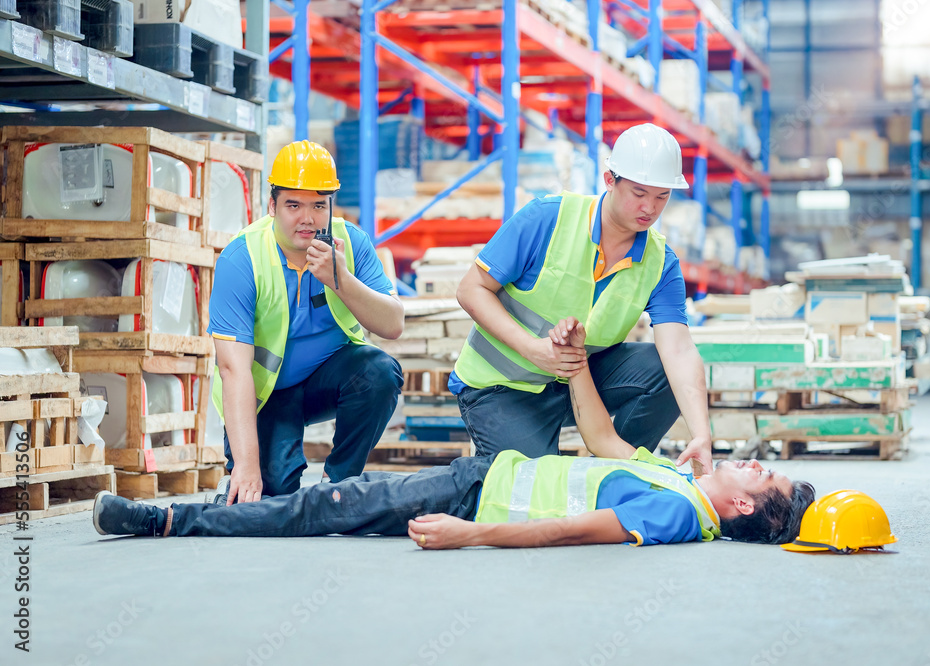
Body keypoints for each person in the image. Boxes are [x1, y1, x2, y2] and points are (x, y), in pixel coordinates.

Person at [93, 318, 815, 549]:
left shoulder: (676, 513)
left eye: (761, 475)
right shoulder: (679, 482)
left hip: (478, 502)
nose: (752, 463)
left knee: (327, 507)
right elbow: (597, 436)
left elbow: (570, 529)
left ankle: (167, 519)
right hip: (489, 475)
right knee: (337, 502)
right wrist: (571, 363)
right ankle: (180, 517)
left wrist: (472, 537)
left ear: (747, 506)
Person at [450, 123, 714, 471]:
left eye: (661, 196)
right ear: (609, 179)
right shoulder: (549, 217)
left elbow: (679, 350)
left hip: (578, 383)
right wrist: (533, 349)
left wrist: (701, 433)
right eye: (638, 192)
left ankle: (618, 471)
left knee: (662, 369)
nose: (649, 207)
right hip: (502, 386)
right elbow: (470, 289)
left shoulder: (660, 262)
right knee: (533, 490)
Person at [208, 140, 404, 505]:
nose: (308, 218)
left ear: (331, 205)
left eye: (318, 205)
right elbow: (233, 369)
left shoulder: (351, 243)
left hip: (324, 380)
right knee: (270, 491)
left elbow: (393, 325)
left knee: (380, 371)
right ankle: (249, 467)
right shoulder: (242, 258)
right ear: (272, 206)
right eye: (293, 205)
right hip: (267, 394)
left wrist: (340, 280)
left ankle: (339, 486)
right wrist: (247, 467)